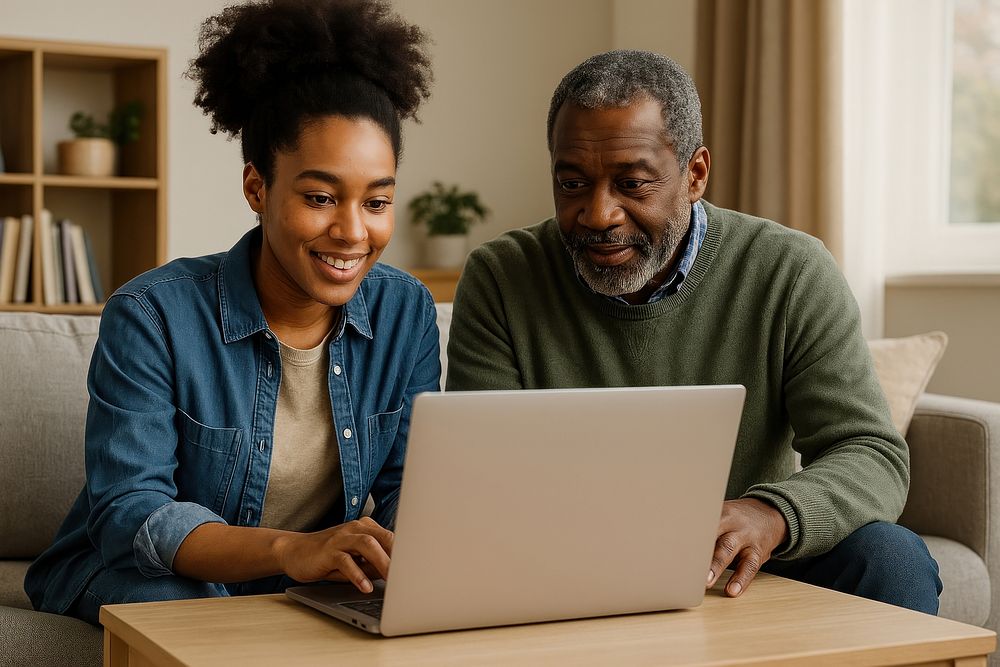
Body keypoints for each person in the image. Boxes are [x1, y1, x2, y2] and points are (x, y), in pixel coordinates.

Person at [446, 50, 942, 613]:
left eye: (632, 184)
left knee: (892, 557)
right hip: (562, 562)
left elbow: (871, 451)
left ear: (695, 174)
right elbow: (485, 479)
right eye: (572, 183)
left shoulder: (790, 269)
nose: (598, 214)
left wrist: (770, 514)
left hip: (740, 561)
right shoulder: (502, 276)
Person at [26, 0, 439, 624]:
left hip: (307, 582)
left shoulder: (405, 312)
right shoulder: (151, 315)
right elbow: (133, 513)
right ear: (257, 188)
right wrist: (293, 550)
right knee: (189, 611)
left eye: (377, 203)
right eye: (321, 197)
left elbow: (413, 487)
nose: (353, 232)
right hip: (140, 573)